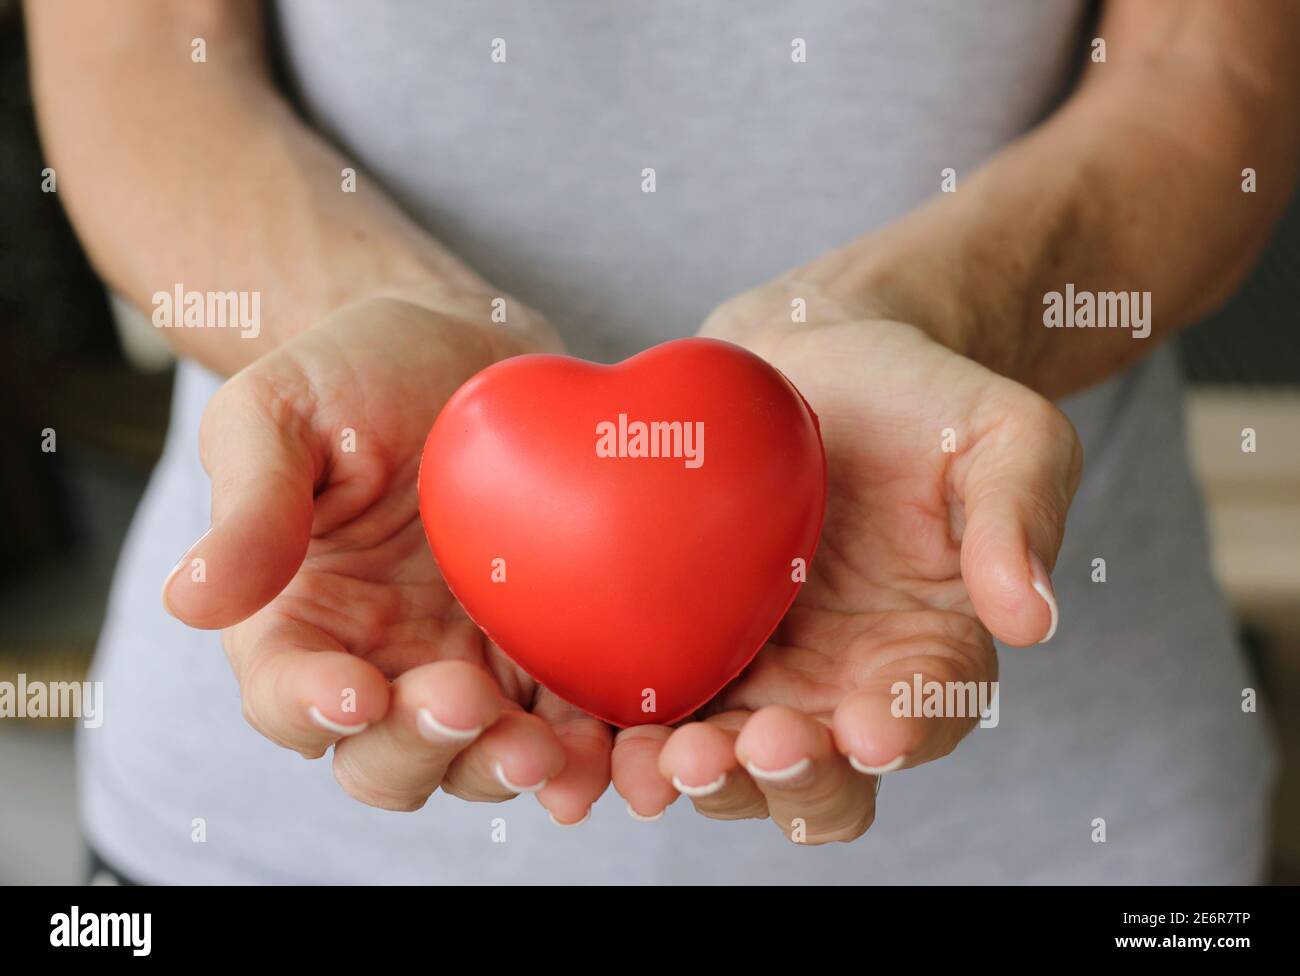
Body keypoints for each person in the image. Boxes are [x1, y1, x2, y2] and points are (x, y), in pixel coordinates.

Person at [26, 0, 1296, 883]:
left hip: (1057, 822)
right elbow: (139, 47)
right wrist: (368, 317)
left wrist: (913, 319)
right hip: (267, 829)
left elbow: (1207, 74)